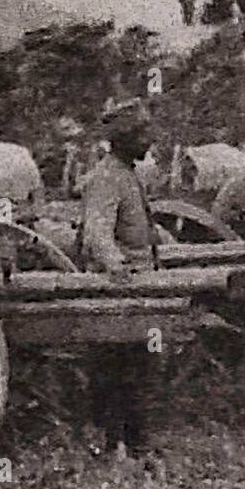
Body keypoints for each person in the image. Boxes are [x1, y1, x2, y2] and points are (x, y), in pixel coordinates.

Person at [77, 98, 159, 455]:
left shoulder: (126, 174)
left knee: (137, 366)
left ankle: (134, 442)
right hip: (116, 290)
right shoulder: (105, 178)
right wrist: (117, 268)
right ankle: (115, 443)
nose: (149, 140)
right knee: (115, 368)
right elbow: (97, 233)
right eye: (141, 133)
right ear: (123, 138)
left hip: (137, 285)